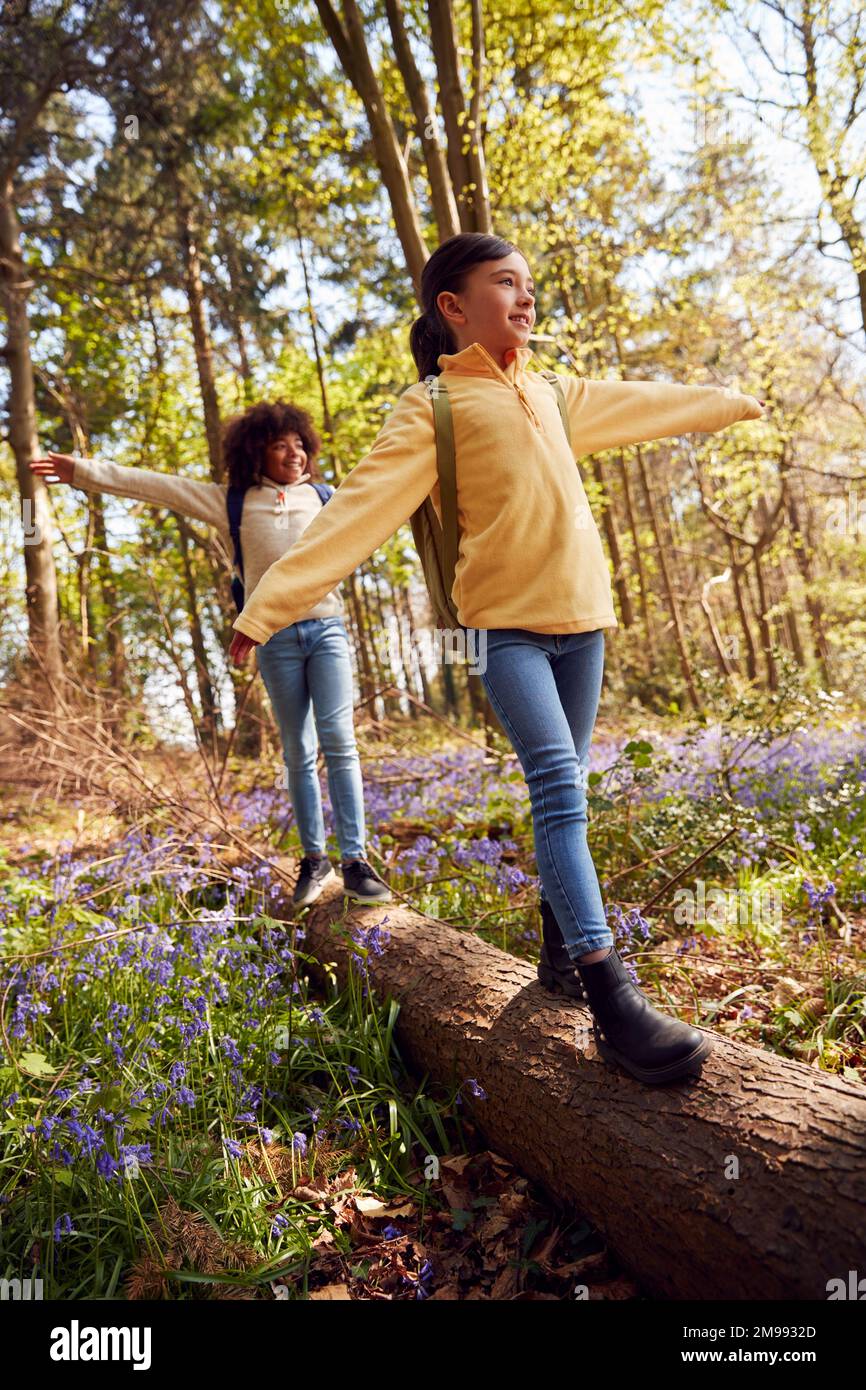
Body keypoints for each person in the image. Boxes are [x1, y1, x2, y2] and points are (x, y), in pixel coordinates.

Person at [228, 232, 766, 1085]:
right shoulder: (433, 408)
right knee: (557, 786)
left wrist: (728, 401)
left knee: (570, 784)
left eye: (528, 284)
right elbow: (350, 517)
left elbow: (647, 403)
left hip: (583, 622)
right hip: (502, 629)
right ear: (453, 306)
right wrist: (266, 610)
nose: (525, 297)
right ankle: (611, 1000)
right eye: (505, 283)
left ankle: (558, 951)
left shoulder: (552, 392)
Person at [30, 401, 392, 910]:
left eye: (299, 444)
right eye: (280, 445)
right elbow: (157, 486)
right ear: (256, 452)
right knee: (297, 749)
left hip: (328, 630)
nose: (294, 453)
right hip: (274, 640)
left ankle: (355, 861)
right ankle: (315, 860)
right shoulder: (233, 503)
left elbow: (385, 496)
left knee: (339, 740)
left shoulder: (326, 497)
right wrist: (83, 472)